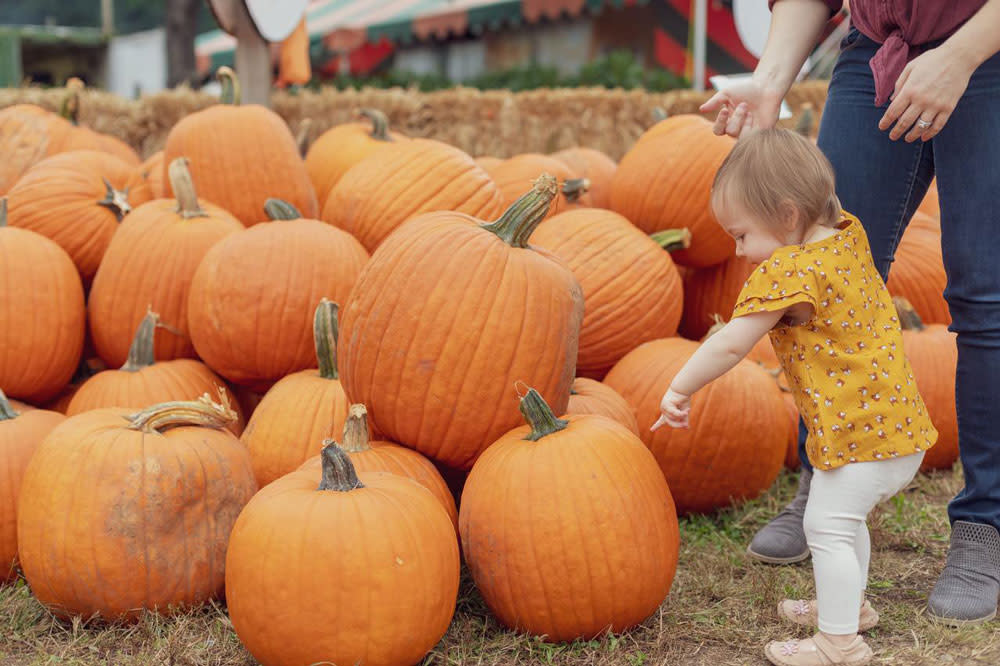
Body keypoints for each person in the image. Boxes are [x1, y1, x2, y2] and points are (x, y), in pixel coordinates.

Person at [698, 0, 1000, 626]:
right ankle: (827, 478)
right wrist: (772, 77)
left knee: (984, 294)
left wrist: (962, 55)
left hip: (987, 49)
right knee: (819, 274)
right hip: (876, 48)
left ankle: (985, 523)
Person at [652, 128, 936, 666]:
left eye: (739, 235)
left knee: (824, 525)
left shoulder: (788, 271)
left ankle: (839, 645)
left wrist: (678, 386)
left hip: (859, 437)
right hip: (897, 428)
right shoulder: (848, 236)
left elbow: (732, 343)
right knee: (843, 522)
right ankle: (848, 610)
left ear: (786, 217)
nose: (736, 250)